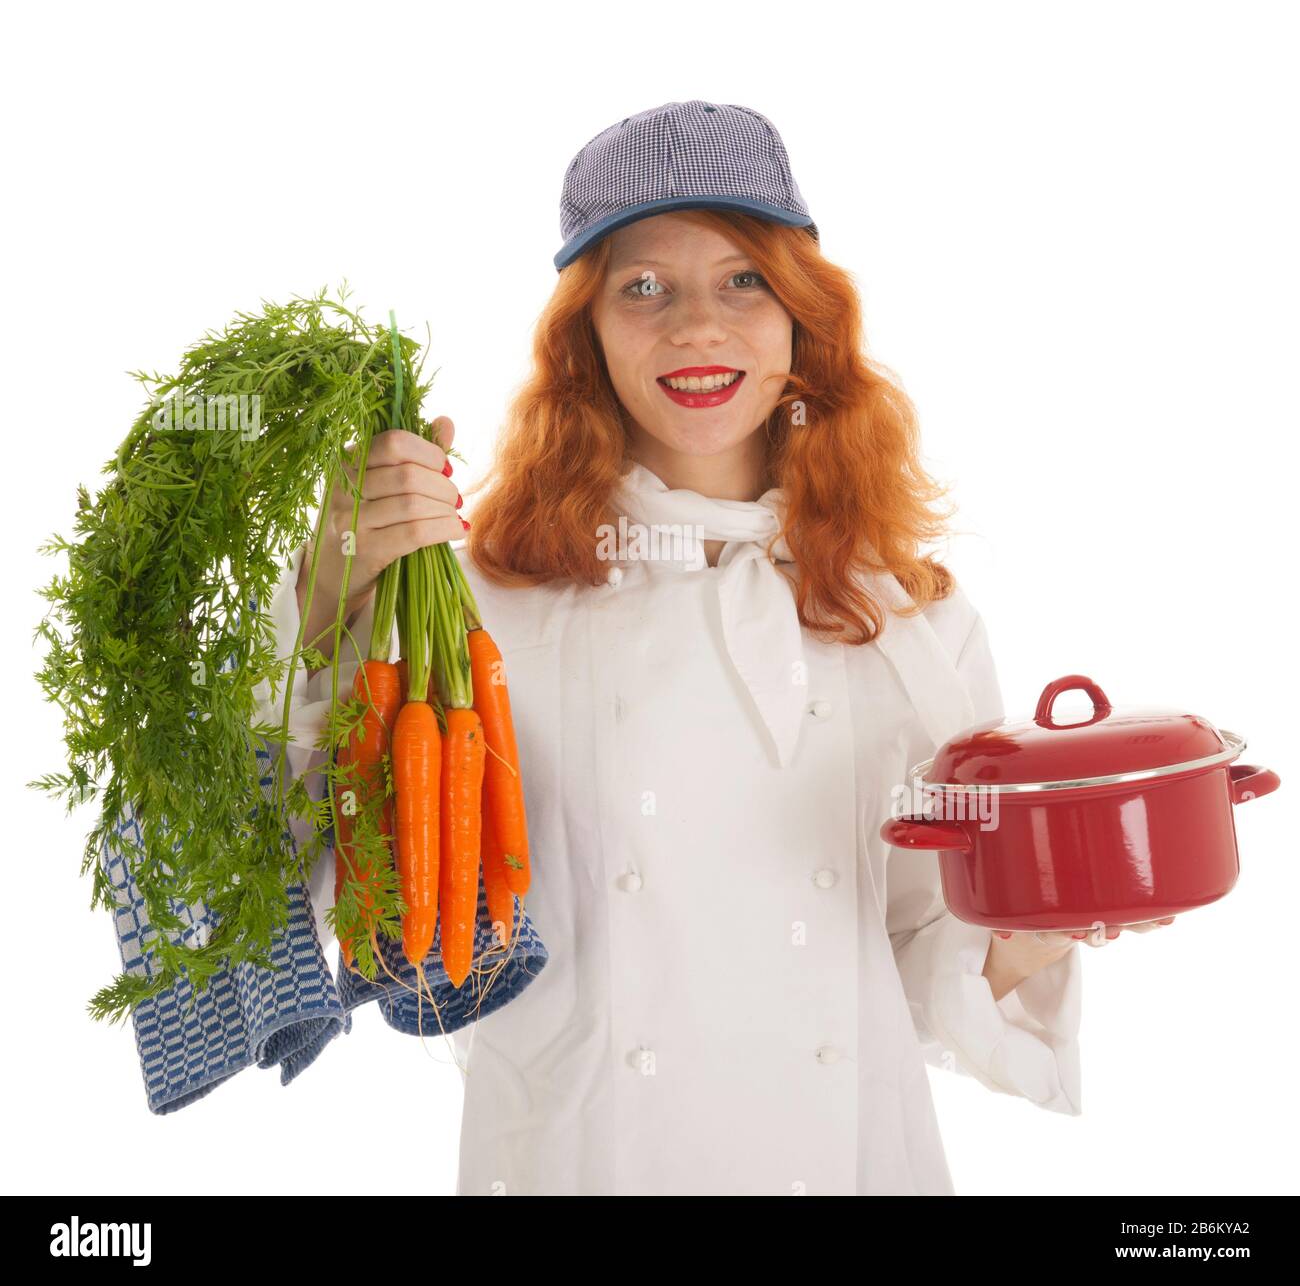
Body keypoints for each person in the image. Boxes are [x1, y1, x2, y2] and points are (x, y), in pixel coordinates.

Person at [259, 100, 1172, 1195]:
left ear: (803, 325)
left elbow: (923, 950)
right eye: (643, 286)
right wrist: (320, 599)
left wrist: (1044, 925)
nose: (698, 326)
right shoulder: (477, 605)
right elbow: (308, 872)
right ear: (583, 335)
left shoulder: (913, 618)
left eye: (745, 280)